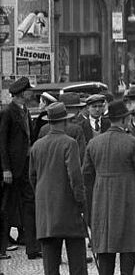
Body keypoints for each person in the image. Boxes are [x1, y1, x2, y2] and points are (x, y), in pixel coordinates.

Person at [85, 100, 135, 275]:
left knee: (105, 247)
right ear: (124, 120)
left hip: (101, 200)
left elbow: (86, 172)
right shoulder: (131, 142)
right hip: (126, 198)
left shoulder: (94, 142)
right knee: (127, 246)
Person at [30, 103, 88, 275]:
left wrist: (41, 196)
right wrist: (81, 202)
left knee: (50, 264)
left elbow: (32, 177)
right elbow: (75, 178)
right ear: (64, 122)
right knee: (77, 260)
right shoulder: (69, 143)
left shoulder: (37, 146)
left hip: (46, 209)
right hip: (68, 207)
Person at [1, 77, 38, 259]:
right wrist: (5, 168)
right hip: (12, 170)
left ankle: (32, 247)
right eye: (29, 90)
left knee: (29, 204)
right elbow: (2, 143)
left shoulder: (26, 111)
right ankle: (2, 247)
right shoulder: (8, 112)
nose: (32, 92)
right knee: (6, 207)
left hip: (25, 167)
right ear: (22, 93)